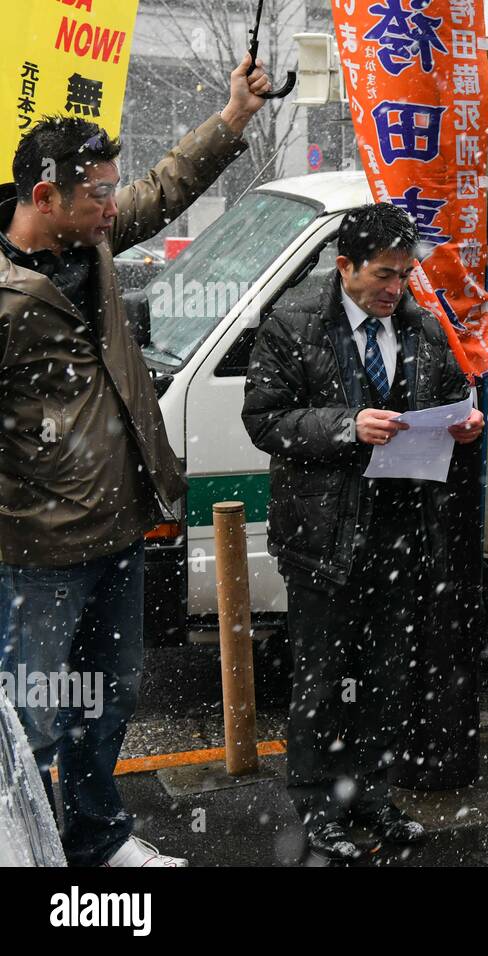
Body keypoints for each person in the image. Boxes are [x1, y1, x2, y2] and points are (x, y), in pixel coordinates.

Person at [0, 54, 272, 868]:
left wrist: (234, 116)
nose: (113, 203)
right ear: (44, 196)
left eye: (111, 189)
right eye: (97, 192)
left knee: (108, 703)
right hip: (36, 553)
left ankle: (97, 839)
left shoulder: (95, 242)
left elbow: (165, 187)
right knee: (29, 721)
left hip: (122, 530)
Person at [242, 203, 484, 861]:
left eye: (404, 274)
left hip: (402, 533)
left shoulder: (421, 326)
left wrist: (464, 423)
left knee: (386, 676)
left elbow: (454, 394)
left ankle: (373, 796)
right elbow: (264, 419)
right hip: (323, 537)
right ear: (345, 265)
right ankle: (318, 807)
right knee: (322, 680)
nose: (394, 288)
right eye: (383, 274)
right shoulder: (293, 324)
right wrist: (346, 425)